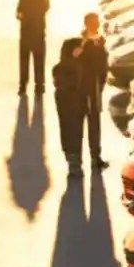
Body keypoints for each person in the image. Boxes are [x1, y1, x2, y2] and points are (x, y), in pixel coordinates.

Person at [77, 13, 109, 169]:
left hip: (95, 89)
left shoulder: (99, 41)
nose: (97, 25)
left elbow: (103, 66)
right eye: (95, 22)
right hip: (85, 89)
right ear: (88, 24)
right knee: (81, 125)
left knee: (94, 125)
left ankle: (96, 157)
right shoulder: (82, 43)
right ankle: (77, 161)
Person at [52, 37, 84, 177]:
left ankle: (73, 160)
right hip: (70, 103)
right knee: (72, 132)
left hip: (69, 103)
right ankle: (73, 161)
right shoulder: (70, 67)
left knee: (70, 132)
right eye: (79, 47)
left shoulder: (60, 67)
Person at [16, 0, 51, 96]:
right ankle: (23, 85)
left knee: (39, 61)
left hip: (38, 34)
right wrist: (20, 15)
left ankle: (39, 85)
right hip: (25, 34)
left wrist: (26, 14)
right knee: (24, 61)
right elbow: (18, 10)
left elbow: (43, 9)